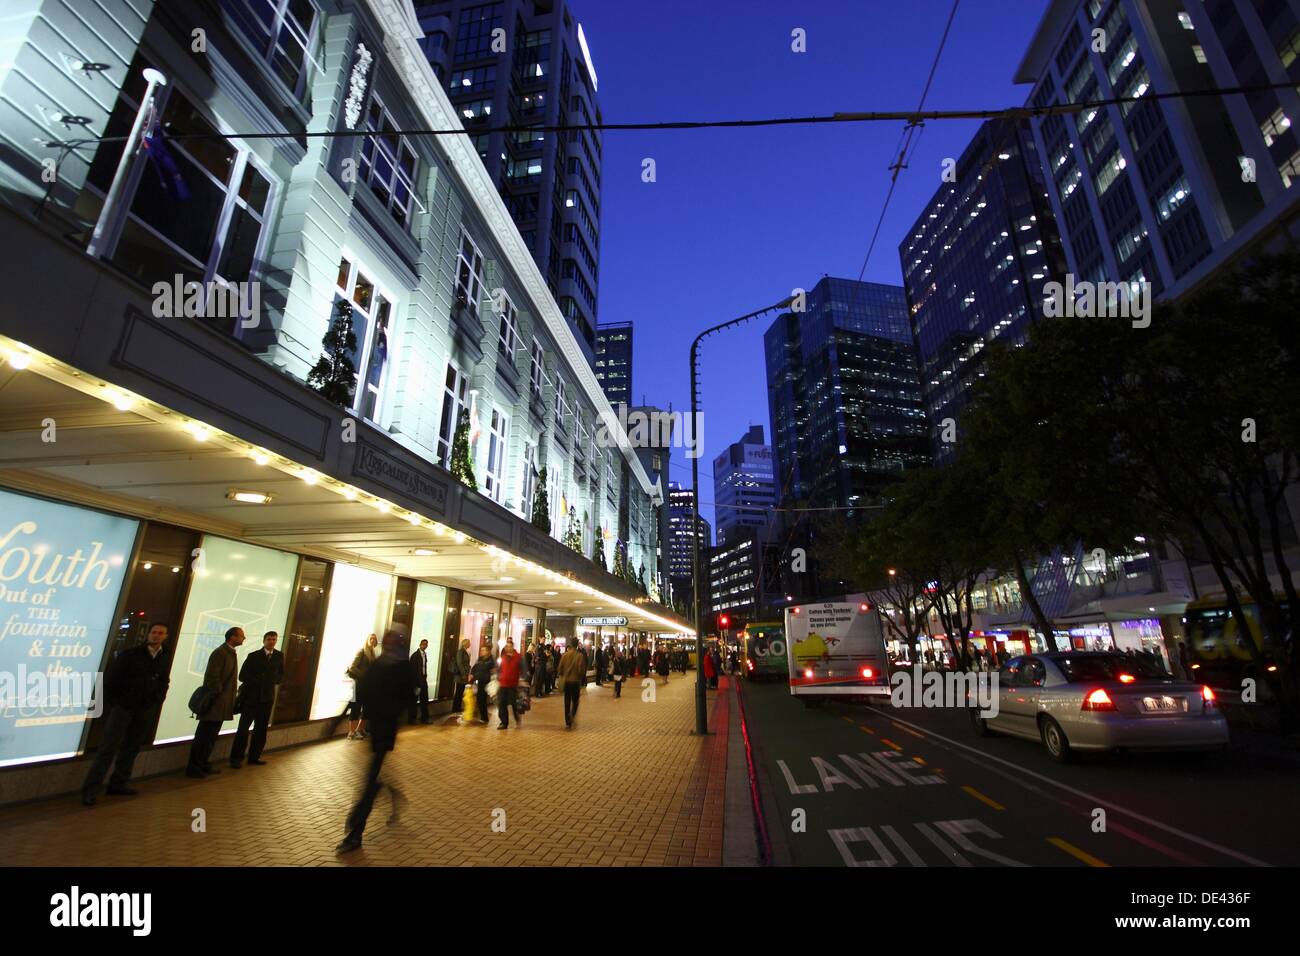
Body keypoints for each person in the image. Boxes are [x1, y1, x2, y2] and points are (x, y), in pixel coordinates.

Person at [337, 631, 414, 854]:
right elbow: (364, 693)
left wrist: (394, 714)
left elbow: (407, 697)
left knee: (369, 780)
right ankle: (389, 793)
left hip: (386, 728)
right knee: (373, 776)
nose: (387, 645)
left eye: (391, 642)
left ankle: (355, 832)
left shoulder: (400, 667)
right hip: (377, 727)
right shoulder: (380, 663)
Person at [82, 622, 172, 805]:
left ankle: (118, 783)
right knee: (108, 748)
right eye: (153, 632)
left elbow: (164, 681)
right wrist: (118, 702)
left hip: (145, 709)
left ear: (165, 637)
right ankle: (91, 789)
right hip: (124, 708)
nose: (156, 635)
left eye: (160, 633)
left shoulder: (164, 657)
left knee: (131, 747)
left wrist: (157, 700)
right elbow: (111, 681)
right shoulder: (131, 655)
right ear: (148, 634)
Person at [186, 626, 244, 778]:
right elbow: (212, 676)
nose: (244, 638)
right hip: (214, 703)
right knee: (204, 736)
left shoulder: (229, 653)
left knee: (211, 736)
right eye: (241, 636)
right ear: (232, 637)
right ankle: (194, 766)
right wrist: (217, 692)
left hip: (221, 703)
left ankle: (203, 763)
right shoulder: (220, 653)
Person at [230, 630, 284, 768]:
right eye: (269, 639)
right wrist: (258, 680)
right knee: (243, 729)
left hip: (266, 699)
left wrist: (273, 680)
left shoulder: (279, 656)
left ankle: (254, 756)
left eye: (274, 639)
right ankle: (236, 758)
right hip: (251, 698)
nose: (272, 642)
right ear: (264, 640)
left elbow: (281, 675)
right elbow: (242, 675)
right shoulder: (253, 656)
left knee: (261, 730)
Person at [346, 634, 379, 740]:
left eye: (375, 639)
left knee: (367, 708)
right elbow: (352, 667)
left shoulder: (373, 653)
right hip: (359, 685)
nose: (373, 640)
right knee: (356, 707)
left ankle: (359, 729)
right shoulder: (362, 651)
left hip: (368, 686)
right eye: (371, 638)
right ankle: (351, 732)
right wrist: (364, 676)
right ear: (367, 640)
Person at [557, 641, 586, 729]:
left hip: (567, 682)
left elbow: (560, 668)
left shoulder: (565, 655)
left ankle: (567, 721)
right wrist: (580, 677)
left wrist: (564, 674)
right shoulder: (580, 656)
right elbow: (581, 670)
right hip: (576, 682)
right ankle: (572, 714)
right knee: (575, 701)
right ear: (577, 645)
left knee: (567, 701)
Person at [497, 637, 523, 729]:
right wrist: (497, 676)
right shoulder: (503, 657)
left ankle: (517, 717)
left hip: (512, 685)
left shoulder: (518, 657)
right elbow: (500, 669)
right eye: (506, 646)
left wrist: (524, 679)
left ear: (512, 647)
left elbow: (523, 669)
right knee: (502, 703)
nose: (508, 648)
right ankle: (504, 722)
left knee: (513, 704)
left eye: (509, 646)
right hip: (503, 684)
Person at [471, 645, 494, 724]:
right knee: (479, 699)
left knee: (482, 699)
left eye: (484, 650)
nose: (482, 652)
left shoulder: (491, 660)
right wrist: (472, 674)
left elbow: (489, 670)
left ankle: (484, 718)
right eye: (481, 650)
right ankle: (483, 716)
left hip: (486, 682)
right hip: (480, 681)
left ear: (488, 651)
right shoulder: (480, 659)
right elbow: (475, 667)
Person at [409, 638, 431, 724]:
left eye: (426, 644)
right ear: (420, 644)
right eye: (424, 644)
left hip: (423, 679)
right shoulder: (415, 656)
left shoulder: (424, 655)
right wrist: (415, 684)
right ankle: (412, 719)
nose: (425, 646)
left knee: (424, 699)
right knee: (414, 701)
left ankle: (424, 718)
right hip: (417, 681)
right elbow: (413, 671)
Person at [451, 638, 472, 707]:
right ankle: (455, 708)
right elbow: (460, 663)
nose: (470, 644)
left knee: (460, 691)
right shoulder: (461, 651)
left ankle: (457, 707)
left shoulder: (465, 651)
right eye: (469, 642)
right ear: (465, 643)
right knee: (458, 692)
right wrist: (463, 673)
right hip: (460, 675)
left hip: (463, 675)